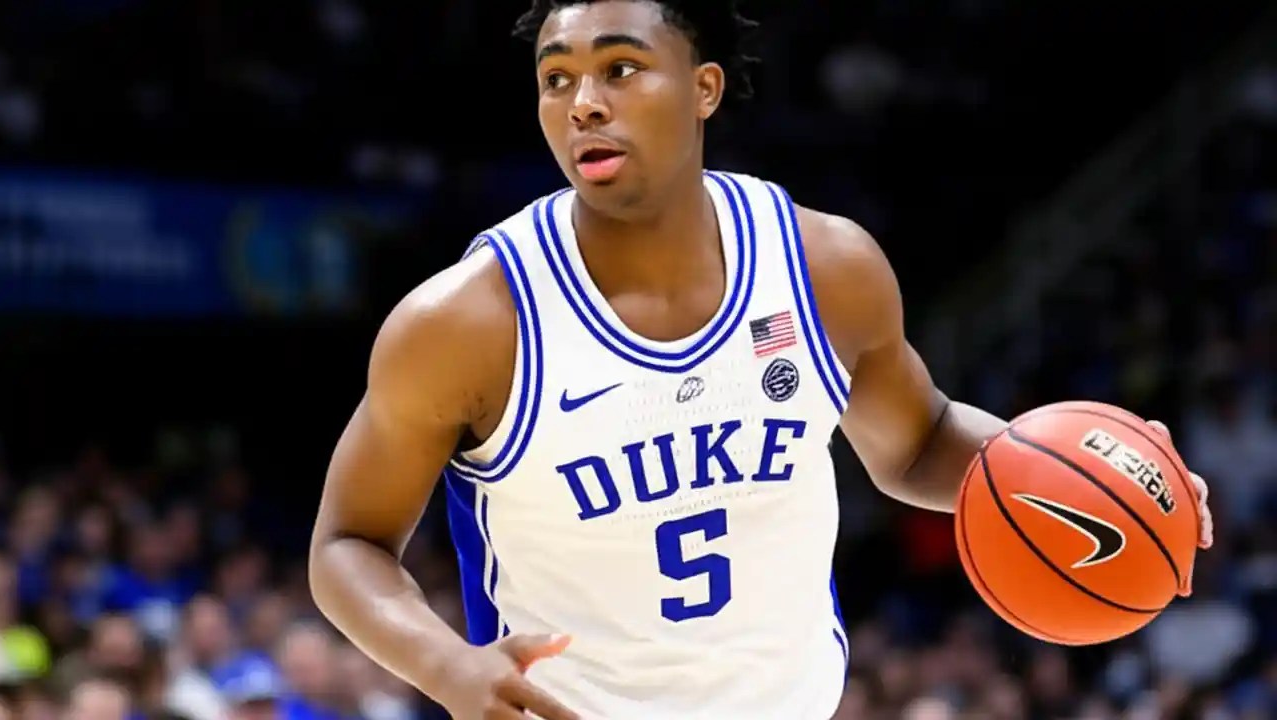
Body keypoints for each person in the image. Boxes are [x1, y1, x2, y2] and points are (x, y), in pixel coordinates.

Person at [307, 2, 1216, 718]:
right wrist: (447, 668)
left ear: (704, 88)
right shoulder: (469, 321)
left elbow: (917, 441)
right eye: (557, 78)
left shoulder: (826, 267)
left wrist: (1102, 483)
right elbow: (348, 542)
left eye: (620, 69)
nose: (582, 102)